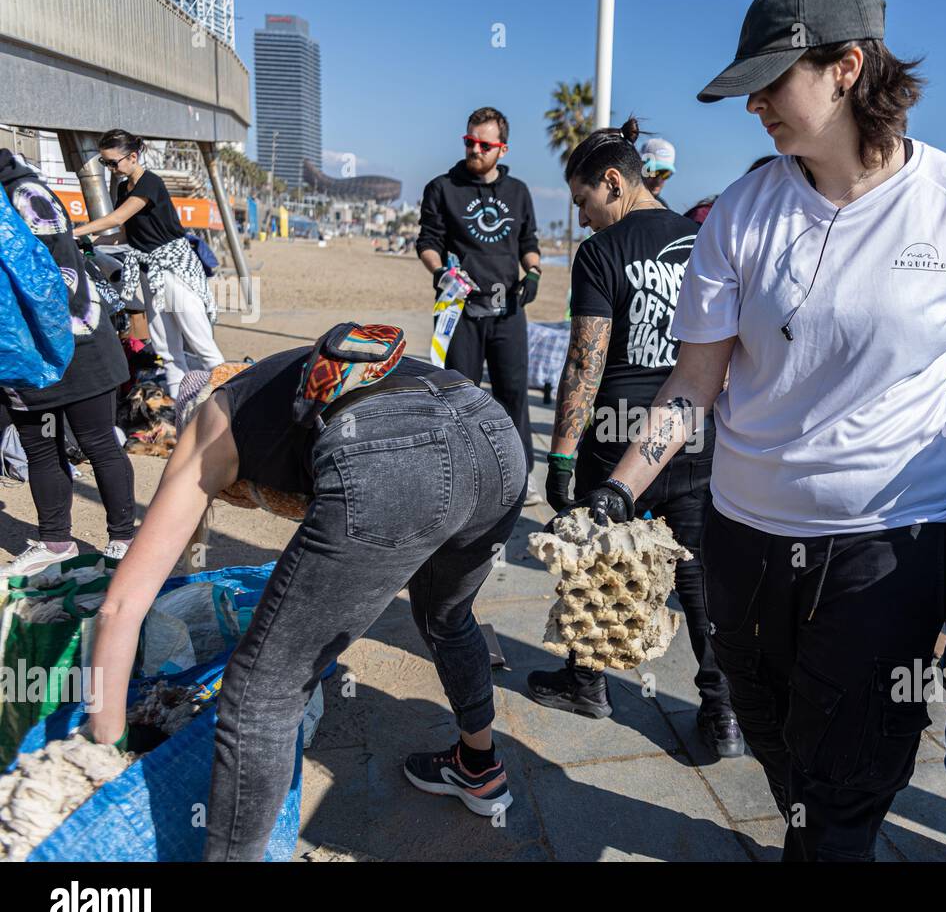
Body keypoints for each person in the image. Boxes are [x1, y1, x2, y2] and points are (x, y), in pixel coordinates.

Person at [569, 0, 946, 861]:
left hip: (888, 546)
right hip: (745, 541)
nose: (752, 105)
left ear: (846, 69)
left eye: (770, 81)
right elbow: (695, 381)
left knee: (850, 777)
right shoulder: (738, 212)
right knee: (771, 735)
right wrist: (620, 488)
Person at [84, 324, 526, 860]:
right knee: (448, 618)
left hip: (396, 454)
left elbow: (120, 605)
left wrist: (99, 749)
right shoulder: (282, 384)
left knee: (260, 692)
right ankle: (480, 769)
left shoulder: (205, 427)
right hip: (494, 434)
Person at [531, 118, 742, 757]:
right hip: (694, 434)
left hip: (619, 440)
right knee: (700, 577)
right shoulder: (702, 239)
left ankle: (588, 682)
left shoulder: (602, 252)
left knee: (596, 555)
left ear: (614, 183)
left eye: (584, 202)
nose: (583, 219)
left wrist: (561, 455)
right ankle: (723, 715)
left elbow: (584, 362)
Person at [0, 149, 136, 576]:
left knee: (98, 442)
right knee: (41, 447)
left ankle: (123, 540)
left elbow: (51, 274)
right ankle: (56, 541)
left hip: (75, 339)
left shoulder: (23, 192)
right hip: (23, 350)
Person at [416, 107, 543, 505]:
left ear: (501, 149)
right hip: (459, 309)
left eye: (483, 144)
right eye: (469, 141)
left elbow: (528, 242)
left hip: (507, 310)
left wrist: (534, 272)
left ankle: (522, 474)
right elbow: (428, 242)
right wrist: (440, 274)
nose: (474, 149)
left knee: (512, 393)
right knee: (458, 392)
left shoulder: (518, 192)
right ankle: (461, 473)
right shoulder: (442, 187)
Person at [72, 129, 225, 397]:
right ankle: (181, 410)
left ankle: (230, 403)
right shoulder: (124, 188)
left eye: (113, 163)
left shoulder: (150, 183)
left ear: (132, 156)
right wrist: (89, 243)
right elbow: (126, 233)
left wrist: (73, 232)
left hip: (175, 269)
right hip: (149, 272)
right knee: (166, 350)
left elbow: (116, 220)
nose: (110, 169)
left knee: (202, 344)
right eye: (104, 163)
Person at [639, 137, 676, 209]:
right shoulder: (623, 204)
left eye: (665, 174)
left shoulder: (663, 207)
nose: (658, 181)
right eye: (653, 172)